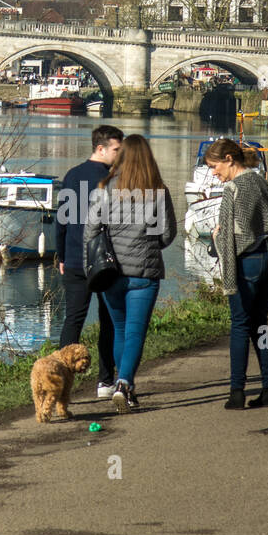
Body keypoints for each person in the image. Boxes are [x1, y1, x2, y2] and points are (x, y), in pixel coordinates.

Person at [83, 134, 177, 411]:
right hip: (144, 272)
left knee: (120, 329)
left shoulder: (105, 188)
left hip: (111, 272)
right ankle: (125, 384)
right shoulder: (158, 191)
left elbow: (90, 231)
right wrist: (150, 245)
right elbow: (168, 234)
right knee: (135, 331)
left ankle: (122, 385)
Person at [203, 139, 268, 409]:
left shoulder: (234, 189)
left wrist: (216, 238)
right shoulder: (263, 182)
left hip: (249, 260)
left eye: (214, 166)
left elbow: (232, 239)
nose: (213, 172)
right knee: (261, 322)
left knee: (240, 324)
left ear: (229, 159)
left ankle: (236, 391)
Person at [56, 125, 123, 398]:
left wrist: (61, 255)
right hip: (105, 259)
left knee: (73, 320)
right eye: (117, 149)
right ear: (101, 148)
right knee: (108, 321)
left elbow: (61, 219)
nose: (120, 155)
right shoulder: (113, 179)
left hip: (74, 258)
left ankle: (60, 381)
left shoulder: (72, 175)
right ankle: (105, 381)